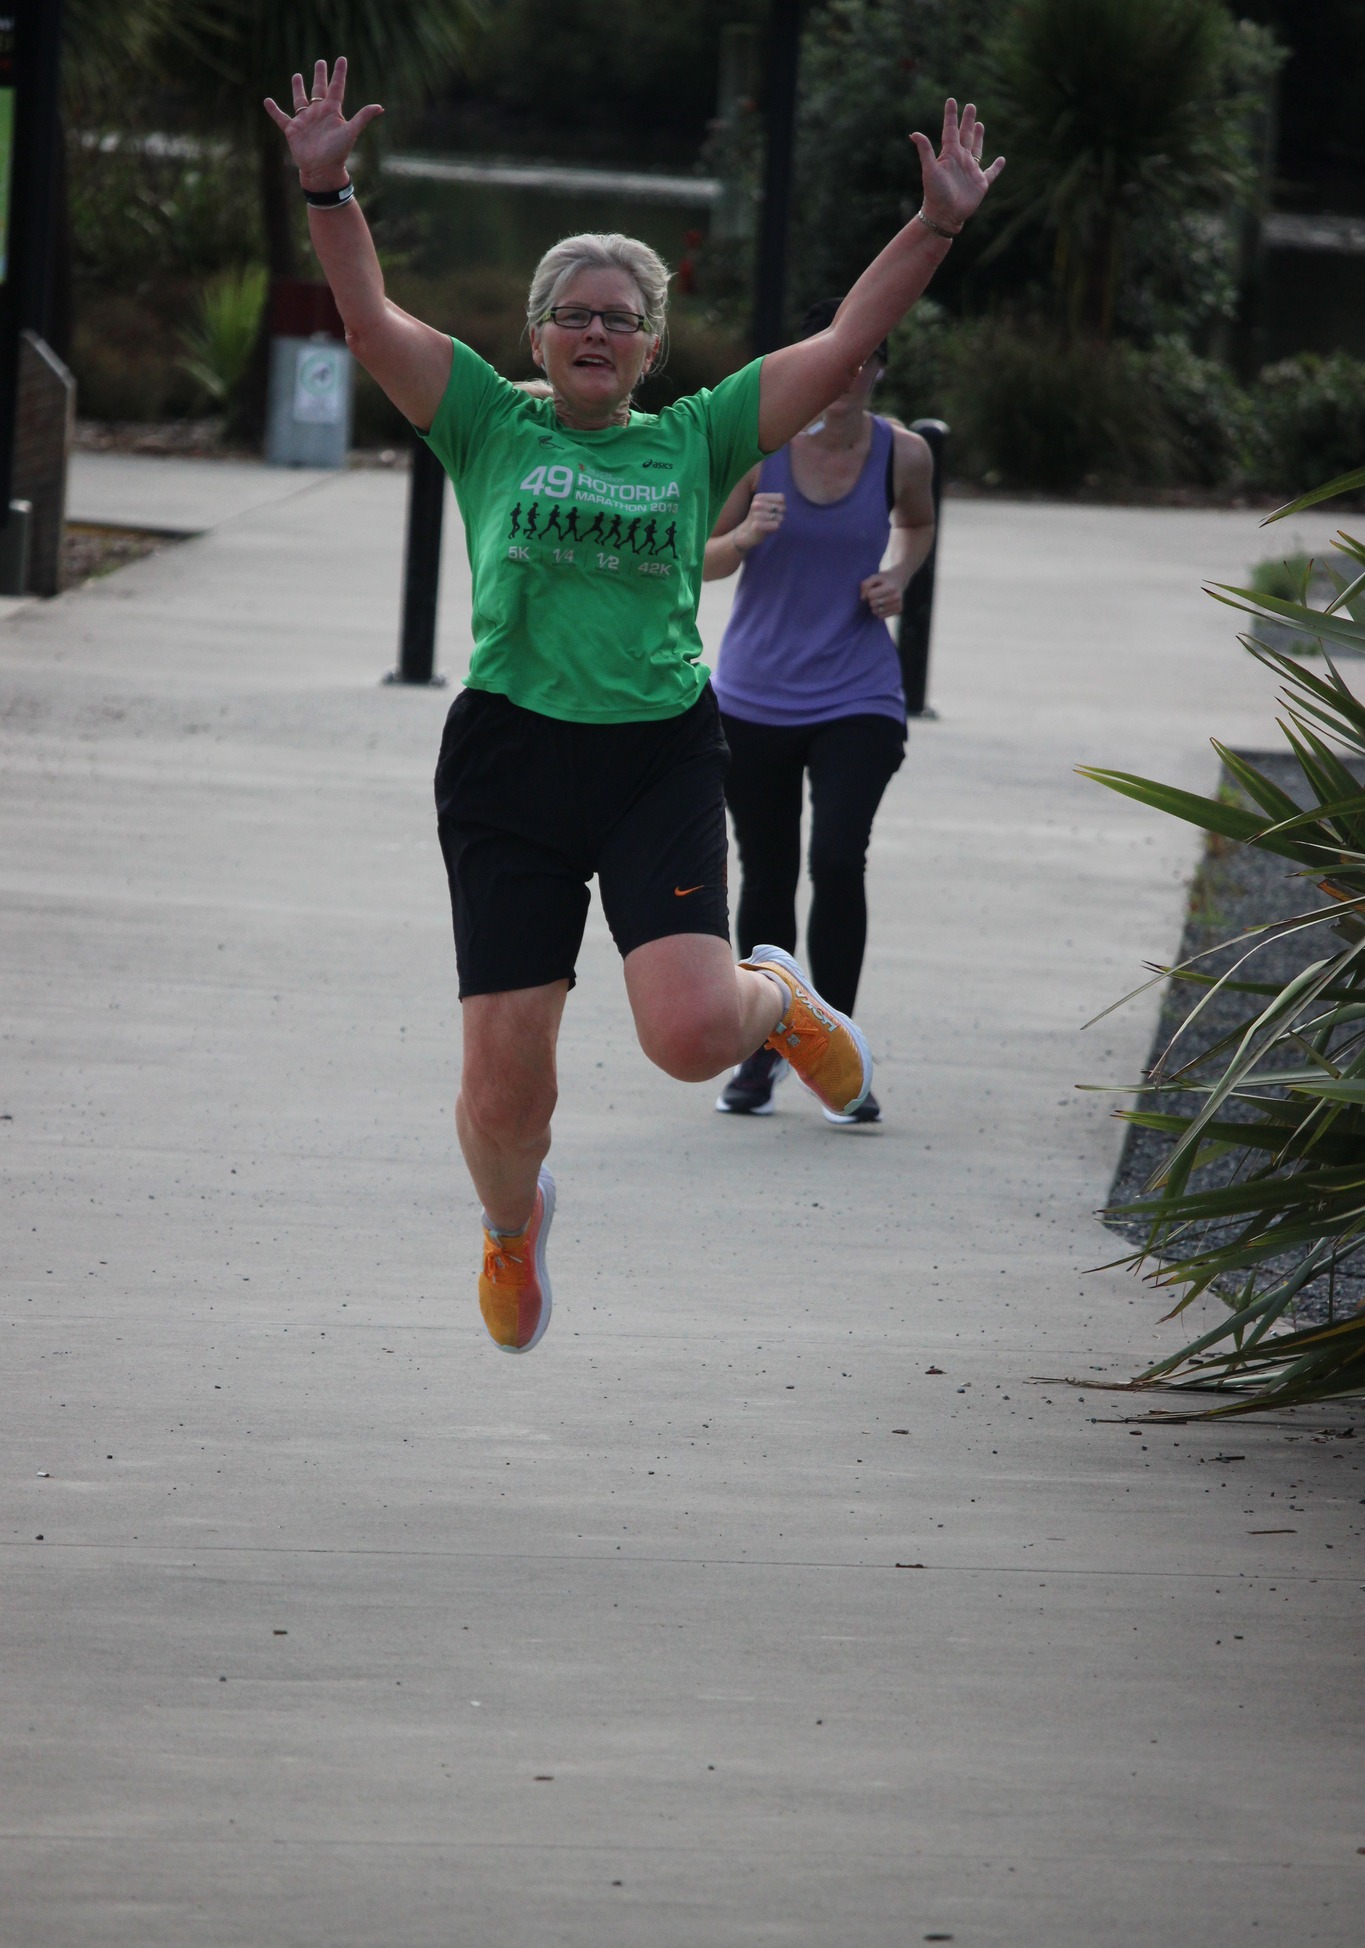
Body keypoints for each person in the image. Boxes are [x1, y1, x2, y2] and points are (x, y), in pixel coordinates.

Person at [264, 58, 1003, 1353]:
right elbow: (372, 323)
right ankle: (511, 1229)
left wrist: (935, 221)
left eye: (618, 317)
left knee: (690, 1039)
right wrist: (328, 186)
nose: (594, 333)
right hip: (509, 760)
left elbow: (839, 349)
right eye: (571, 314)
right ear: (537, 333)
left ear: (652, 343)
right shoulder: (486, 421)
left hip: (658, 752)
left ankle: (783, 995)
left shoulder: (699, 435)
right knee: (506, 1094)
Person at [704, 304, 936, 1125]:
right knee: (766, 875)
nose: (847, 375)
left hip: (857, 694)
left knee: (838, 859)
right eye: (833, 359)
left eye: (865, 361)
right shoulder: (755, 450)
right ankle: (766, 1049)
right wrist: (743, 542)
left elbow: (916, 523)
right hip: (753, 698)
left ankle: (840, 1053)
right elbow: (692, 557)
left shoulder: (902, 454)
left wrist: (899, 575)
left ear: (877, 370)